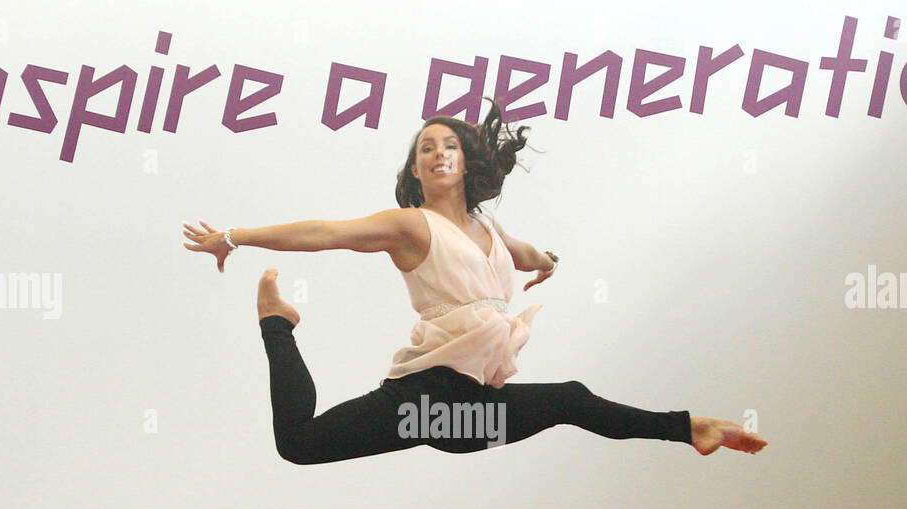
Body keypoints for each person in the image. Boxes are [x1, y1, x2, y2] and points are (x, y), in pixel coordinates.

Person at [182, 102, 766, 464]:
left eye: (449, 145)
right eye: (425, 149)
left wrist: (546, 259)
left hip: (473, 414)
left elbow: (519, 250)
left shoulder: (487, 225)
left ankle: (692, 428)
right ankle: (277, 325)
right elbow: (325, 231)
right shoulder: (411, 226)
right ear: (416, 169)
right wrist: (234, 235)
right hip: (427, 401)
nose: (438, 154)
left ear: (467, 161)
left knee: (570, 398)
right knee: (300, 444)